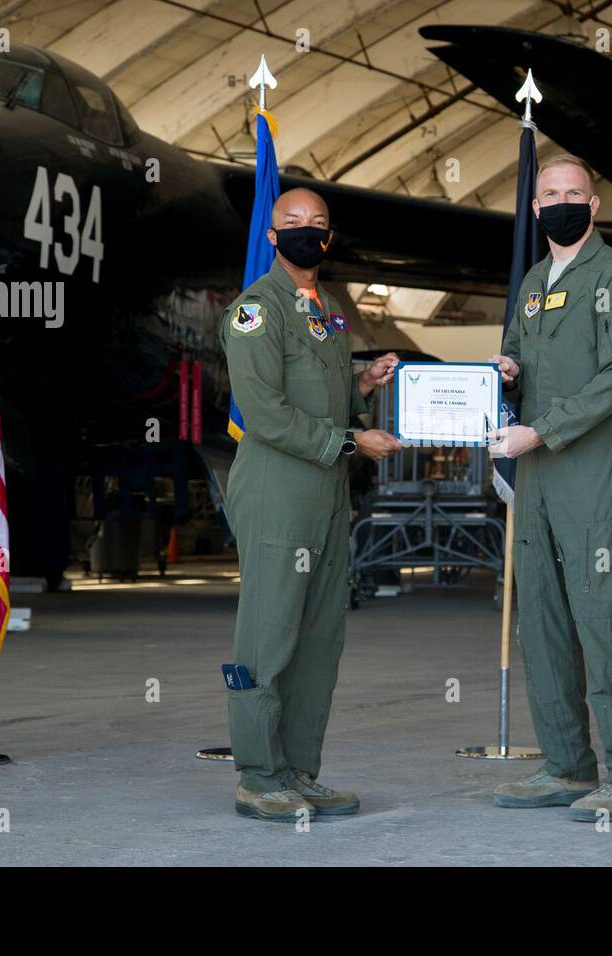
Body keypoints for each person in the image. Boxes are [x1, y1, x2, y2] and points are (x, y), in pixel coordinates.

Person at [488, 154, 612, 822]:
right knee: (543, 623)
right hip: (535, 479)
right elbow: (520, 360)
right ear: (536, 210)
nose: (562, 202)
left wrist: (544, 429)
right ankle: (566, 765)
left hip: (589, 476)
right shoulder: (534, 281)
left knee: (605, 618)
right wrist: (507, 374)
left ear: (593, 206)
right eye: (549, 194)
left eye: (574, 192)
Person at [220, 187, 402, 822]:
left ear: (329, 237)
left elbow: (318, 388)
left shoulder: (323, 309)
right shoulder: (255, 310)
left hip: (325, 489)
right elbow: (266, 413)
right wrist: (351, 438)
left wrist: (361, 381)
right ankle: (257, 775)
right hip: (278, 487)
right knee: (268, 633)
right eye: (292, 222)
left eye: (317, 224)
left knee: (320, 636)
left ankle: (298, 770)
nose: (306, 231)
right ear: (272, 237)